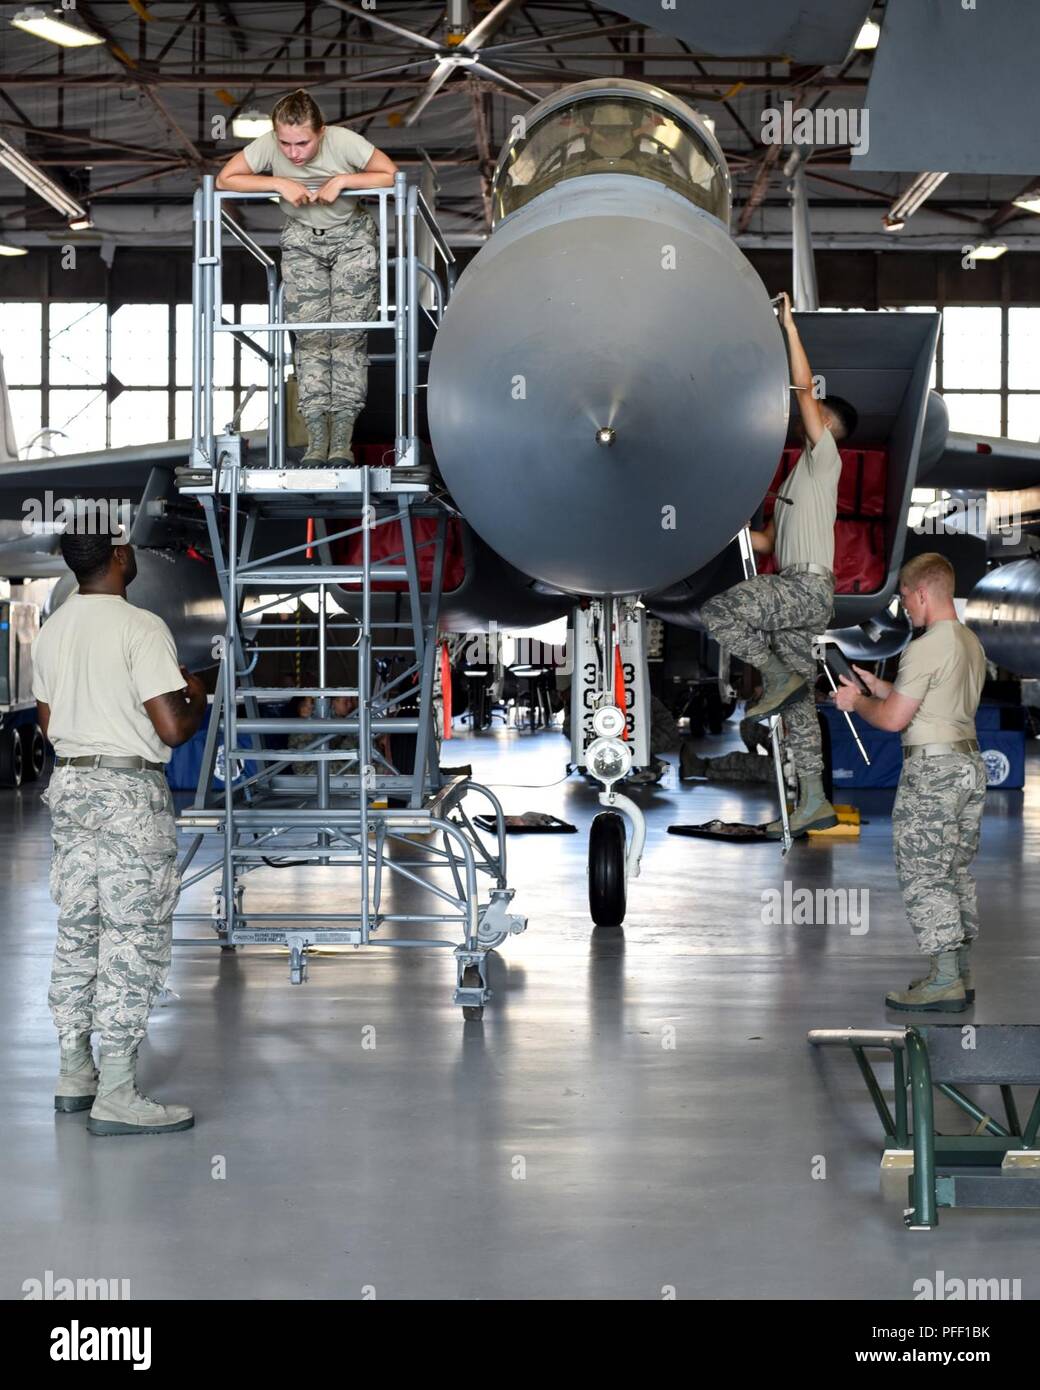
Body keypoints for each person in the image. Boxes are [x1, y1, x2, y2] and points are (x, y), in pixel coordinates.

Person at [31, 523, 206, 1134]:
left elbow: (49, 722)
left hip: (73, 788)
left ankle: (74, 1073)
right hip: (128, 793)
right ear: (116, 559)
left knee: (78, 930)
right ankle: (118, 1092)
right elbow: (172, 729)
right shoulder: (140, 628)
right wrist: (198, 694)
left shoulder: (52, 630)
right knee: (134, 936)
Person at [701, 291, 858, 838]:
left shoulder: (825, 457)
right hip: (799, 590)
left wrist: (787, 328)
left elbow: (803, 390)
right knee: (796, 708)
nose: (804, 418)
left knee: (718, 613)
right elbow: (767, 542)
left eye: (817, 414)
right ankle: (813, 799)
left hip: (806, 589)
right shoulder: (798, 483)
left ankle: (776, 674)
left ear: (828, 426)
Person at [835, 553, 987, 1013]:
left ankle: (943, 982)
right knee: (954, 869)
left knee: (925, 873)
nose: (905, 607)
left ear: (922, 593)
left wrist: (855, 703)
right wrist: (875, 687)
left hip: (933, 774)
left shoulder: (925, 645)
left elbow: (893, 719)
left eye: (904, 597)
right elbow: (929, 701)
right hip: (967, 766)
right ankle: (957, 972)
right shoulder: (967, 642)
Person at [216, 90, 399, 466]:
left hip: (351, 238)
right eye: (285, 143)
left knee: (347, 337)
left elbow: (391, 174)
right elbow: (225, 179)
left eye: (303, 143)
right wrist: (277, 183)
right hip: (302, 240)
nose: (293, 153)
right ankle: (317, 444)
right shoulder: (268, 146)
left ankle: (341, 444)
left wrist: (345, 181)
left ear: (320, 132)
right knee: (311, 338)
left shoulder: (344, 141)